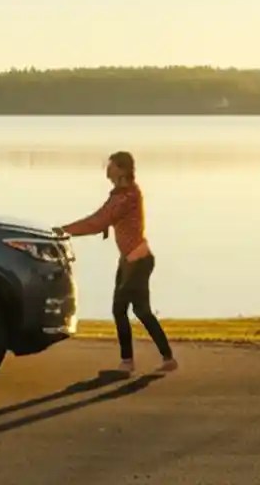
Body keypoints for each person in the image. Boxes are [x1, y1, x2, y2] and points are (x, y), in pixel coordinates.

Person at [54, 151, 177, 375]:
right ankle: (167, 358)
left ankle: (127, 363)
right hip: (129, 261)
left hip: (138, 262)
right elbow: (102, 217)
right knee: (141, 310)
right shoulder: (119, 194)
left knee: (121, 309)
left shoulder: (128, 196)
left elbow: (98, 221)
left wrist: (64, 231)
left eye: (110, 166)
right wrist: (87, 227)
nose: (106, 170)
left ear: (122, 169)